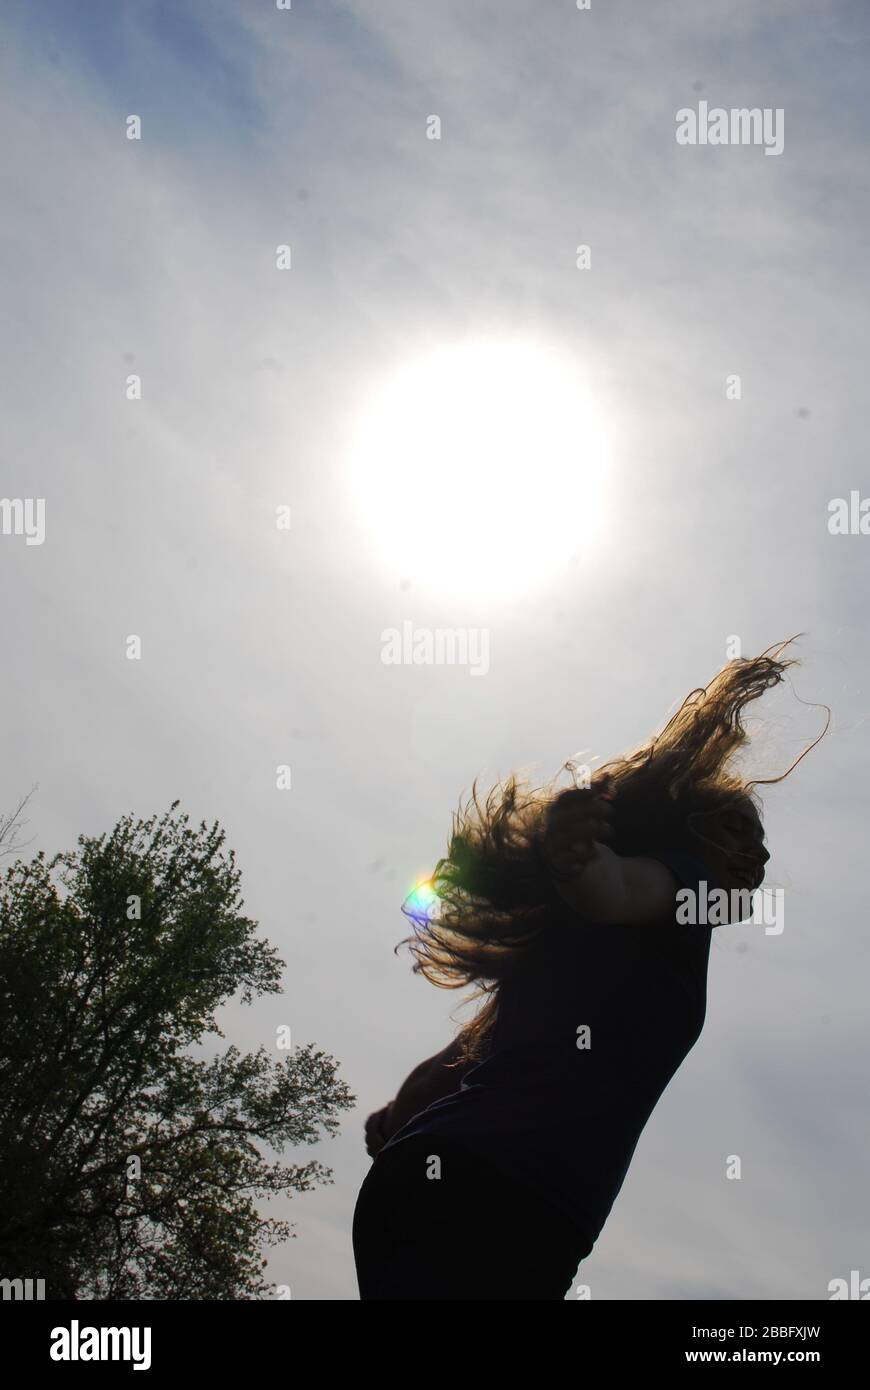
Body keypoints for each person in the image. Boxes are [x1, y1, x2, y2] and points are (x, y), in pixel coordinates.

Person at [352, 641, 825, 1300]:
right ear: (684, 835)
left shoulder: (567, 947)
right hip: (508, 1205)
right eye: (739, 828)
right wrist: (581, 865)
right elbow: (619, 889)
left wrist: (397, 1114)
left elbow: (447, 1072)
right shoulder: (683, 893)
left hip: (417, 1189)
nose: (761, 852)